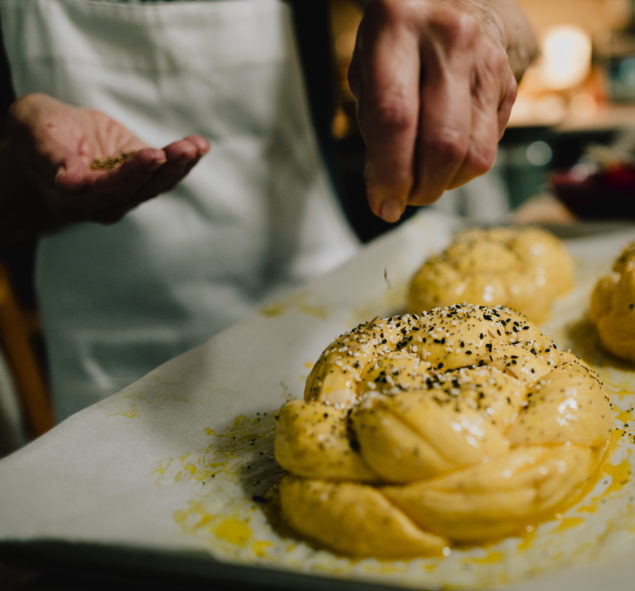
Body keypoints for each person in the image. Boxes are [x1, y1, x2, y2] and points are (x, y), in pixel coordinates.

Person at [0, 0, 538, 422]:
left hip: (322, 323)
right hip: (108, 362)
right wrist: (22, 168)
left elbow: (515, 25)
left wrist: (483, 19)